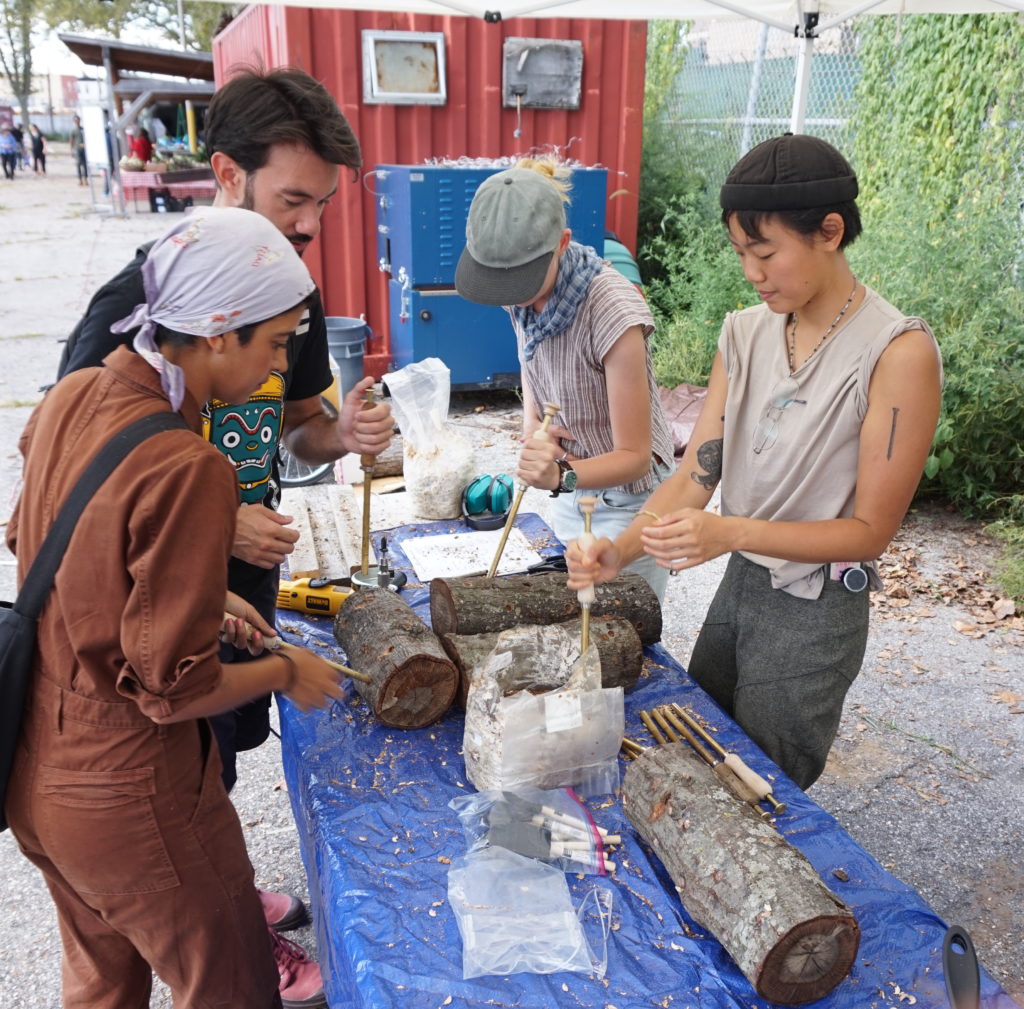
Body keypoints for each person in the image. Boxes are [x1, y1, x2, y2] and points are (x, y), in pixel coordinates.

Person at [56, 67, 394, 1001]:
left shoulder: (286, 289)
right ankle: (217, 908)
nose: (308, 229)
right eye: (292, 201)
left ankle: (221, 885)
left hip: (232, 603)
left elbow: (301, 425)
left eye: (322, 206)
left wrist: (342, 433)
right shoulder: (135, 306)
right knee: (176, 819)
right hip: (147, 653)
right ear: (228, 174)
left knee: (216, 772)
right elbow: (75, 487)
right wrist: (212, 521)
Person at [6, 206, 345, 1009]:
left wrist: (205, 590)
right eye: (276, 343)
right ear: (218, 332)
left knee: (101, 983)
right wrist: (286, 670)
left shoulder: (76, 392)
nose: (280, 366)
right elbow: (175, 689)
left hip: (36, 768)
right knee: (229, 985)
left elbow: (39, 537)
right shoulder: (190, 465)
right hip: (129, 793)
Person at [567, 134, 943, 790]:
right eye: (740, 253)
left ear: (829, 231)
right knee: (700, 742)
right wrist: (618, 552)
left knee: (763, 783)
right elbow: (696, 473)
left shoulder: (896, 352)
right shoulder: (744, 333)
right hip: (743, 578)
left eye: (764, 252)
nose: (751, 271)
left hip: (818, 600)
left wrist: (728, 532)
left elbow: (868, 533)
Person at [455, 158, 675, 598]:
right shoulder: (521, 293)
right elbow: (532, 360)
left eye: (519, 280)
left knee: (620, 624)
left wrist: (560, 475)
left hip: (629, 502)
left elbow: (636, 456)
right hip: (574, 487)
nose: (510, 293)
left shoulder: (612, 311)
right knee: (571, 612)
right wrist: (533, 430)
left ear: (562, 243)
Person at [69, 114, 87, 185]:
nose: (77, 121)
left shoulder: (83, 129)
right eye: (75, 120)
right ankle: (80, 180)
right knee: (78, 164)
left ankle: (85, 179)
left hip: (84, 149)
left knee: (85, 165)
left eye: (78, 120)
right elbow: (71, 141)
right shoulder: (73, 130)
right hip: (77, 149)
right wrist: (71, 150)